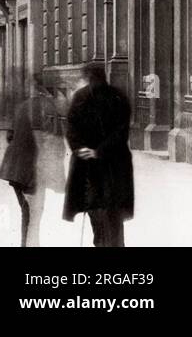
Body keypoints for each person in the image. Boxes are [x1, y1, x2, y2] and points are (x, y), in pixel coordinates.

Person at [62, 64, 134, 247]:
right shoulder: (118, 97)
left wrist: (82, 150)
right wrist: (99, 151)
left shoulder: (80, 97)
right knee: (112, 217)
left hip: (90, 169)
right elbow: (121, 133)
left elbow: (71, 130)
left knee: (97, 214)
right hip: (114, 167)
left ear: (88, 77)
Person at [0, 74, 59, 247]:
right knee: (33, 214)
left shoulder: (21, 107)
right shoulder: (48, 108)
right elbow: (52, 142)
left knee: (28, 212)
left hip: (15, 171)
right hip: (33, 171)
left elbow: (10, 136)